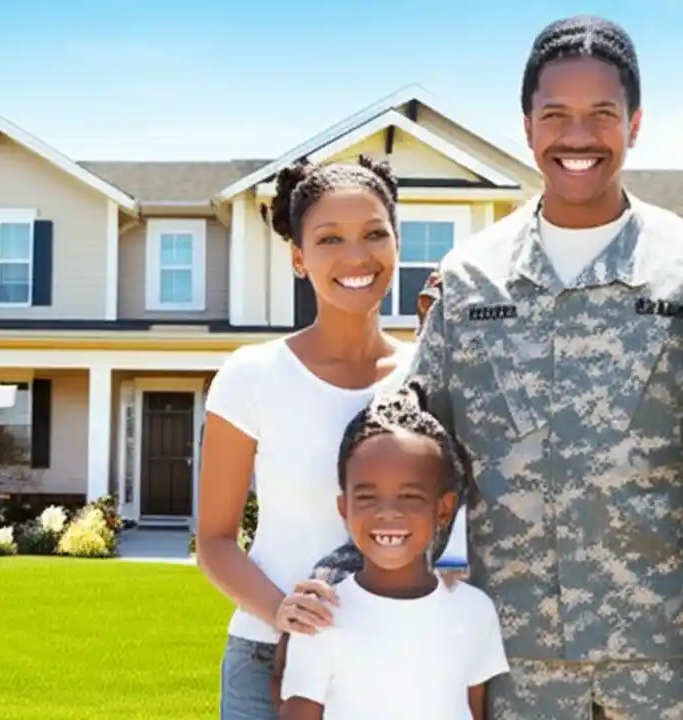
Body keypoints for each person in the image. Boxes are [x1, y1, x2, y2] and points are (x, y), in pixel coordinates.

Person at [385, 15, 683, 719]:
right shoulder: (472, 279)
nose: (577, 136)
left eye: (602, 113)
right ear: (527, 124)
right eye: (555, 114)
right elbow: (416, 451)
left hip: (664, 655)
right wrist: (364, 591)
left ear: (635, 124)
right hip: (517, 655)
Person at [196, 154, 416, 719]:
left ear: (396, 242)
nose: (356, 256)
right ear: (298, 257)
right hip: (268, 661)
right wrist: (280, 611)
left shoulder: (427, 376)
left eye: (374, 234)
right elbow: (215, 541)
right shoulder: (252, 375)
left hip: (396, 660)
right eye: (329, 239)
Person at [278, 383, 510, 719]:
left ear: (444, 509)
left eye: (410, 496)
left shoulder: (475, 611)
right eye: (368, 497)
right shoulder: (320, 617)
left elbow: (471, 711)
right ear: (344, 508)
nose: (388, 513)